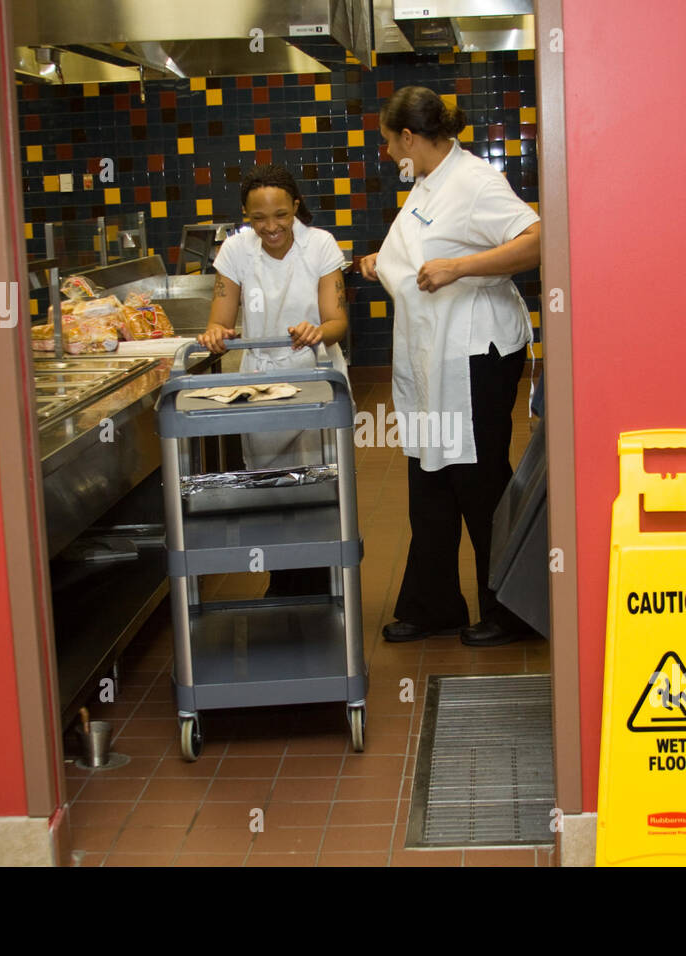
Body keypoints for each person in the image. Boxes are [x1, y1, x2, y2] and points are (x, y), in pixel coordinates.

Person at [360, 86, 541, 647]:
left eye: (390, 142)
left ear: (410, 137)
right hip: (430, 359)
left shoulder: (475, 181)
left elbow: (539, 240)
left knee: (478, 480)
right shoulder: (427, 184)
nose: (388, 153)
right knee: (429, 478)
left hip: (474, 356)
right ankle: (433, 603)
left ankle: (514, 610)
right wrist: (380, 263)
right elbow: (417, 253)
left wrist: (460, 267)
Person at [199, 164, 351, 595]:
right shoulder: (234, 251)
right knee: (272, 488)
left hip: (316, 379)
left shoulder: (319, 245)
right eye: (258, 218)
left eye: (281, 215)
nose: (271, 227)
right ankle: (284, 580)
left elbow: (337, 320)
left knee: (320, 485)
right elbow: (221, 318)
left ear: (296, 207)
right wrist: (217, 333)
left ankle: (323, 579)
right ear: (245, 216)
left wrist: (317, 331)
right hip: (262, 383)